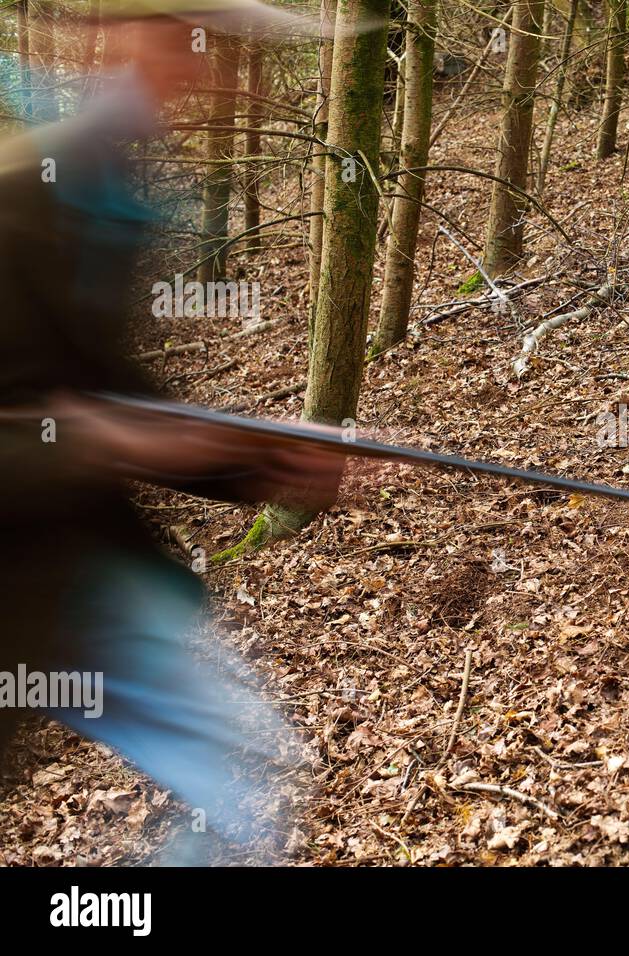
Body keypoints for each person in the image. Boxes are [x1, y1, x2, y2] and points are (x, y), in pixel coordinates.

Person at [0, 2, 342, 863]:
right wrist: (96, 441)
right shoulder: (25, 188)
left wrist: (259, 457)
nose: (211, 67)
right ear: (114, 34)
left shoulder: (110, 191)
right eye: (193, 36)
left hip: (70, 576)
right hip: (33, 575)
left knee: (237, 771)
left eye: (223, 45)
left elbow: (111, 392)